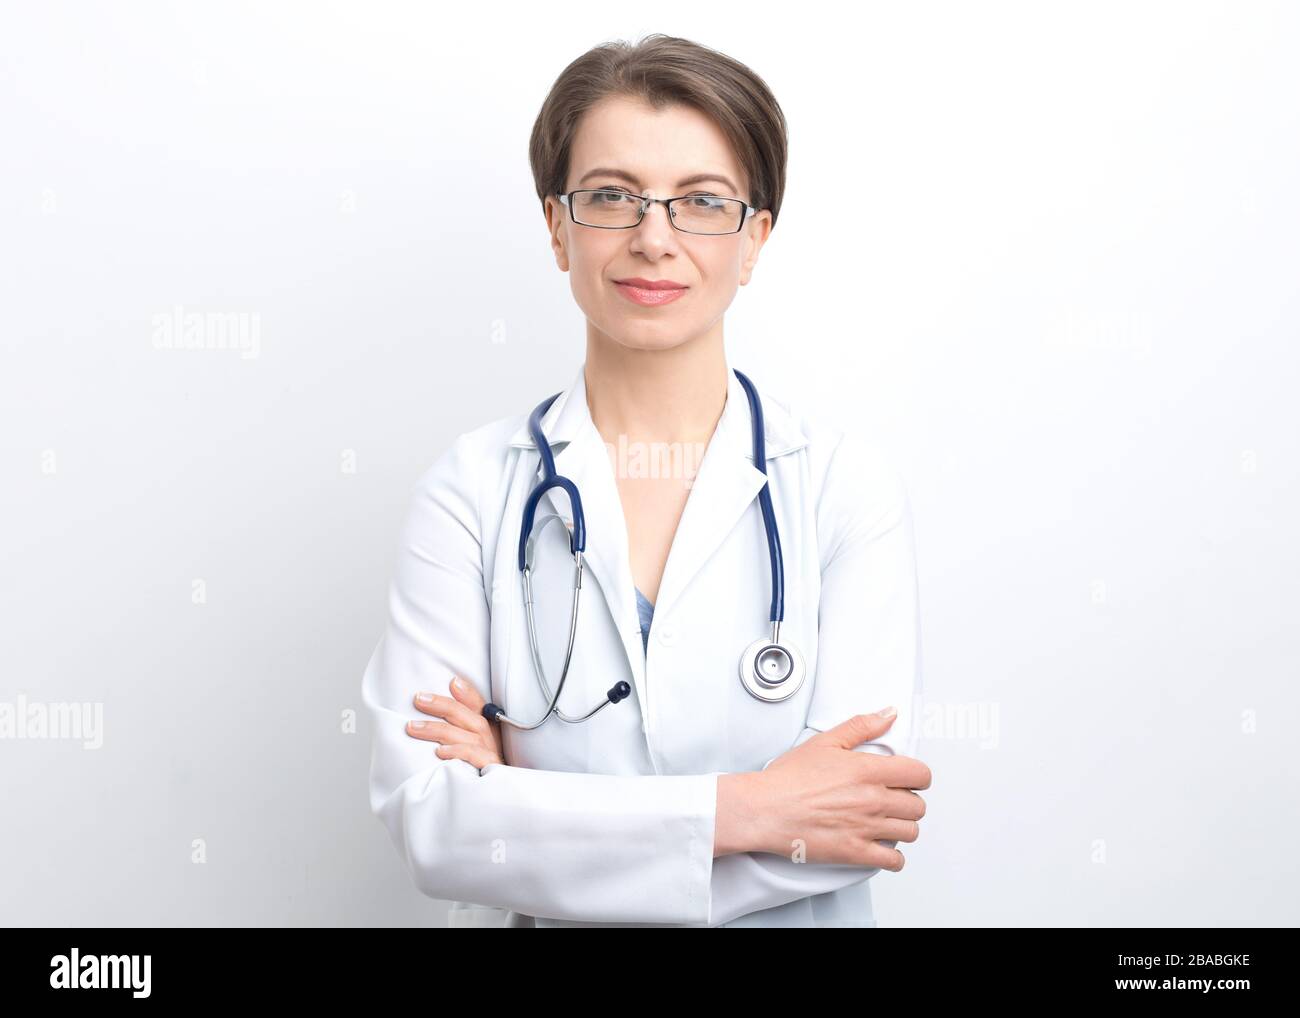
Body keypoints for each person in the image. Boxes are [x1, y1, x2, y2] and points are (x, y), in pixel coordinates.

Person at [361, 33, 931, 928]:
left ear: (755, 239)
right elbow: (433, 825)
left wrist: (523, 801)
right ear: (557, 227)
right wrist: (750, 809)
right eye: (611, 198)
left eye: (703, 202)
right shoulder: (470, 493)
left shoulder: (839, 489)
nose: (653, 238)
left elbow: (857, 821)